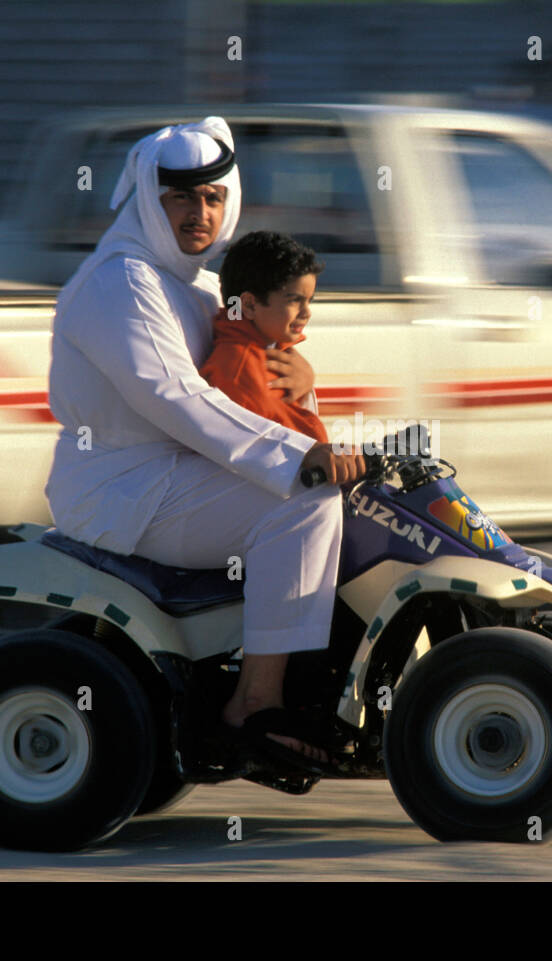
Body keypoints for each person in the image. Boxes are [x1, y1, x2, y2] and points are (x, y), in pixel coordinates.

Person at [44, 117, 364, 769]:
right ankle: (254, 704)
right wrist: (300, 461)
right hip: (126, 490)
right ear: (148, 199)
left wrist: (304, 388)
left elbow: (248, 389)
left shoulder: (191, 285)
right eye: (181, 197)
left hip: (176, 477)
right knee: (305, 503)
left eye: (214, 197)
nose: (201, 212)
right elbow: (177, 400)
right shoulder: (122, 282)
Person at [199, 231, 328, 445]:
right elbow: (273, 449)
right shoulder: (240, 372)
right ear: (249, 305)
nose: (307, 313)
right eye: (295, 300)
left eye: (309, 301)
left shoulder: (270, 352)